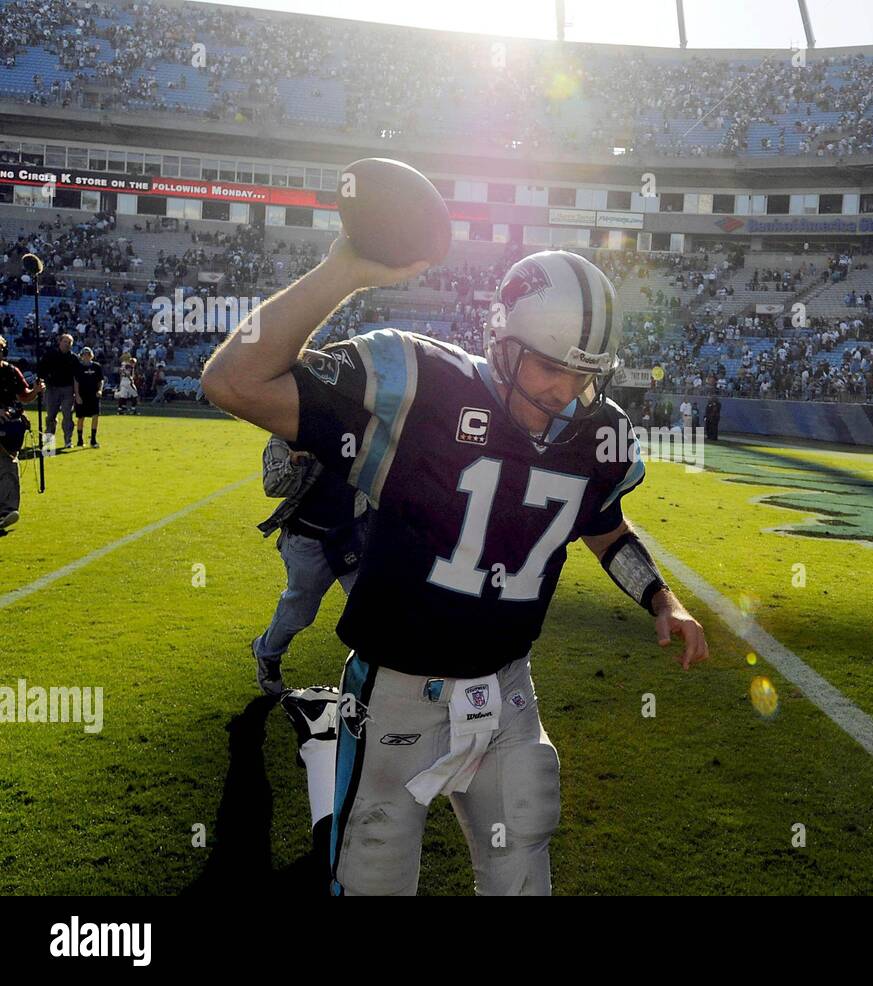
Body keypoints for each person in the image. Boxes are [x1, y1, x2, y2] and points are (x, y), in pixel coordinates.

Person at [201, 241, 709, 896]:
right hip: (396, 692)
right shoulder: (419, 382)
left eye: (584, 374)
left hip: (508, 691)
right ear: (503, 340)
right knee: (371, 879)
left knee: (524, 873)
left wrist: (662, 599)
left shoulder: (597, 429)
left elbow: (603, 523)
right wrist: (345, 271)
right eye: (550, 367)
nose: (564, 391)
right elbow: (232, 381)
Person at [250, 436, 371, 696]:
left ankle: (373, 682)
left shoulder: (363, 421)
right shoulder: (292, 429)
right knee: (299, 613)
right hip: (308, 538)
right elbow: (272, 486)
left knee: (370, 607)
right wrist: (293, 461)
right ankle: (267, 653)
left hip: (353, 535)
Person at [0, 334, 45, 531]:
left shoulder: (11, 371)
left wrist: (36, 391)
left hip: (10, 426)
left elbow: (24, 396)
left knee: (9, 464)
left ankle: (7, 510)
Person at [37, 333, 78, 450]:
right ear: (60, 342)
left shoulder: (74, 358)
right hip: (52, 389)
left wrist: (76, 393)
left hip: (68, 390)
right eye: (65, 342)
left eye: (69, 343)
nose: (67, 344)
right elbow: (41, 370)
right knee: (51, 416)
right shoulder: (50, 355)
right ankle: (49, 443)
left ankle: (68, 441)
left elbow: (77, 377)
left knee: (67, 416)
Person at [73, 347, 104, 448]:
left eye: (88, 354)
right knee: (81, 417)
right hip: (82, 395)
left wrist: (100, 390)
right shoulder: (78, 367)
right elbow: (76, 382)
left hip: (94, 395)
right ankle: (80, 439)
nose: (87, 356)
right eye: (84, 355)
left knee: (95, 416)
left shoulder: (96, 367)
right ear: (81, 356)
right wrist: (77, 395)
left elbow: (101, 380)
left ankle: (93, 440)